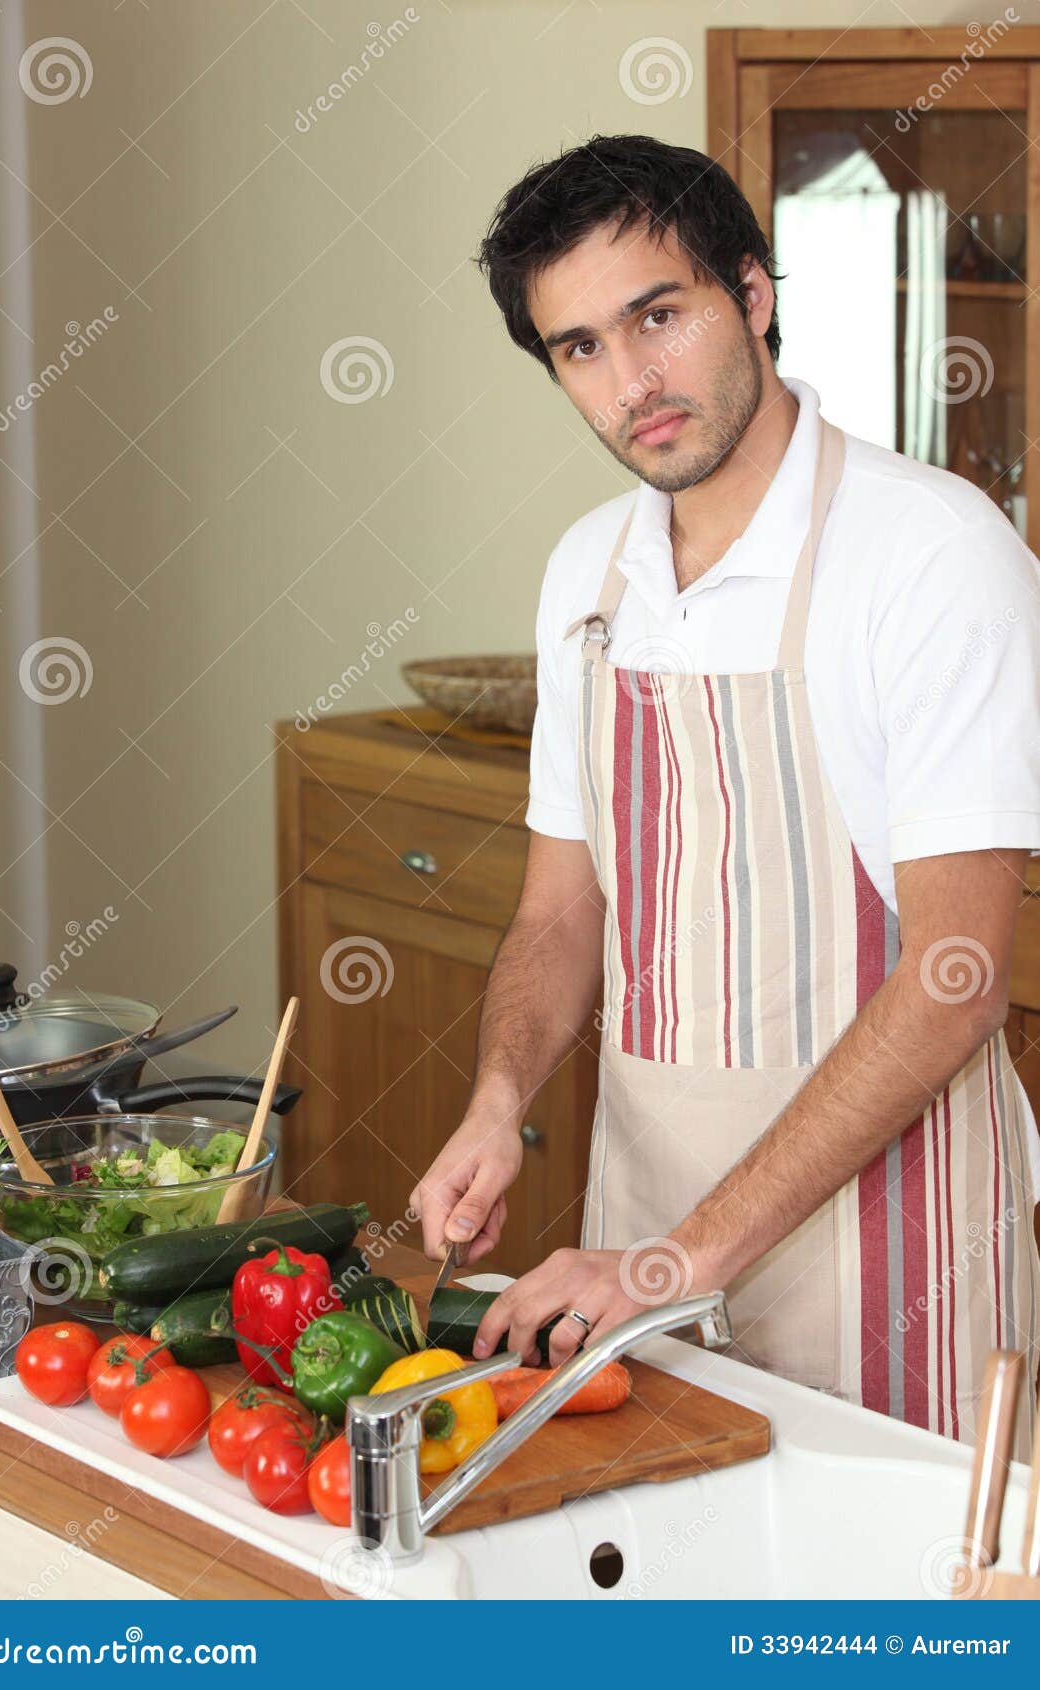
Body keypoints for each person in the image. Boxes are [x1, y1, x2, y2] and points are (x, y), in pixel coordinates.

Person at [410, 134, 1040, 1449]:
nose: (631, 382)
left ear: (752, 293)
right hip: (639, 1239)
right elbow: (559, 912)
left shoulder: (931, 555)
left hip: (894, 1255)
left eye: (659, 316)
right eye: (581, 347)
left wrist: (682, 1260)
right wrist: (497, 1102)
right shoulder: (588, 575)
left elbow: (961, 977)